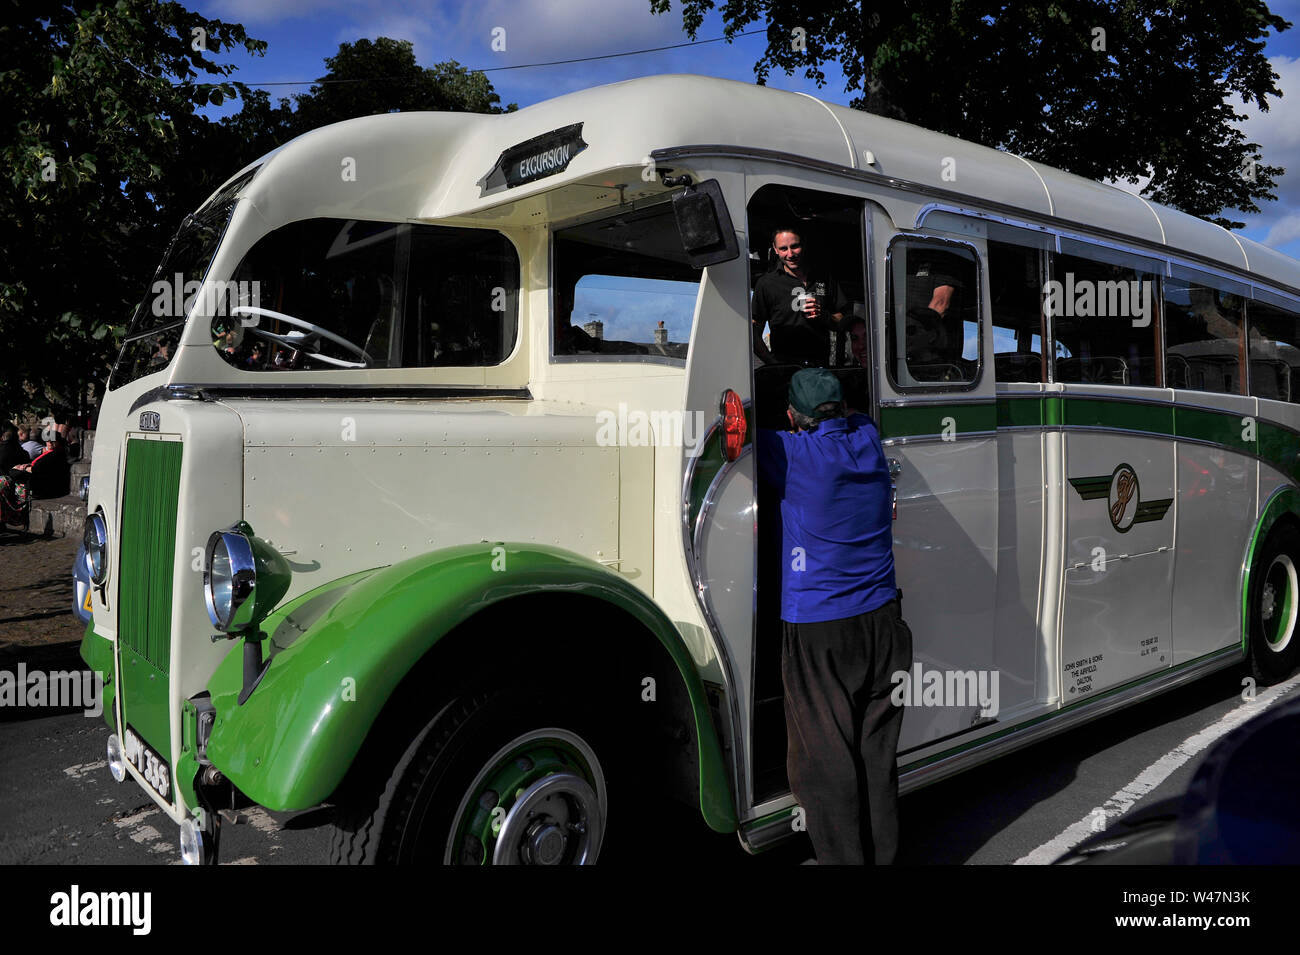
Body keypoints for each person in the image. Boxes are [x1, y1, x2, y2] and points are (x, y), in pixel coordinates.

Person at [756, 368, 913, 865]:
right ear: (843, 410)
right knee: (876, 757)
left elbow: (727, 437)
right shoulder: (868, 437)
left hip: (820, 629)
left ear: (790, 417)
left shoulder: (792, 453)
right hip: (884, 624)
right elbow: (854, 416)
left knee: (827, 762)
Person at [751, 227, 850, 366]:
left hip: (820, 368)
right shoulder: (766, 284)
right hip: (784, 373)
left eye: (794, 247)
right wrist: (773, 363)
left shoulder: (823, 277)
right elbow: (753, 331)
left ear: (803, 243)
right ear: (775, 249)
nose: (790, 254)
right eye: (783, 249)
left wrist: (824, 315)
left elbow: (844, 322)